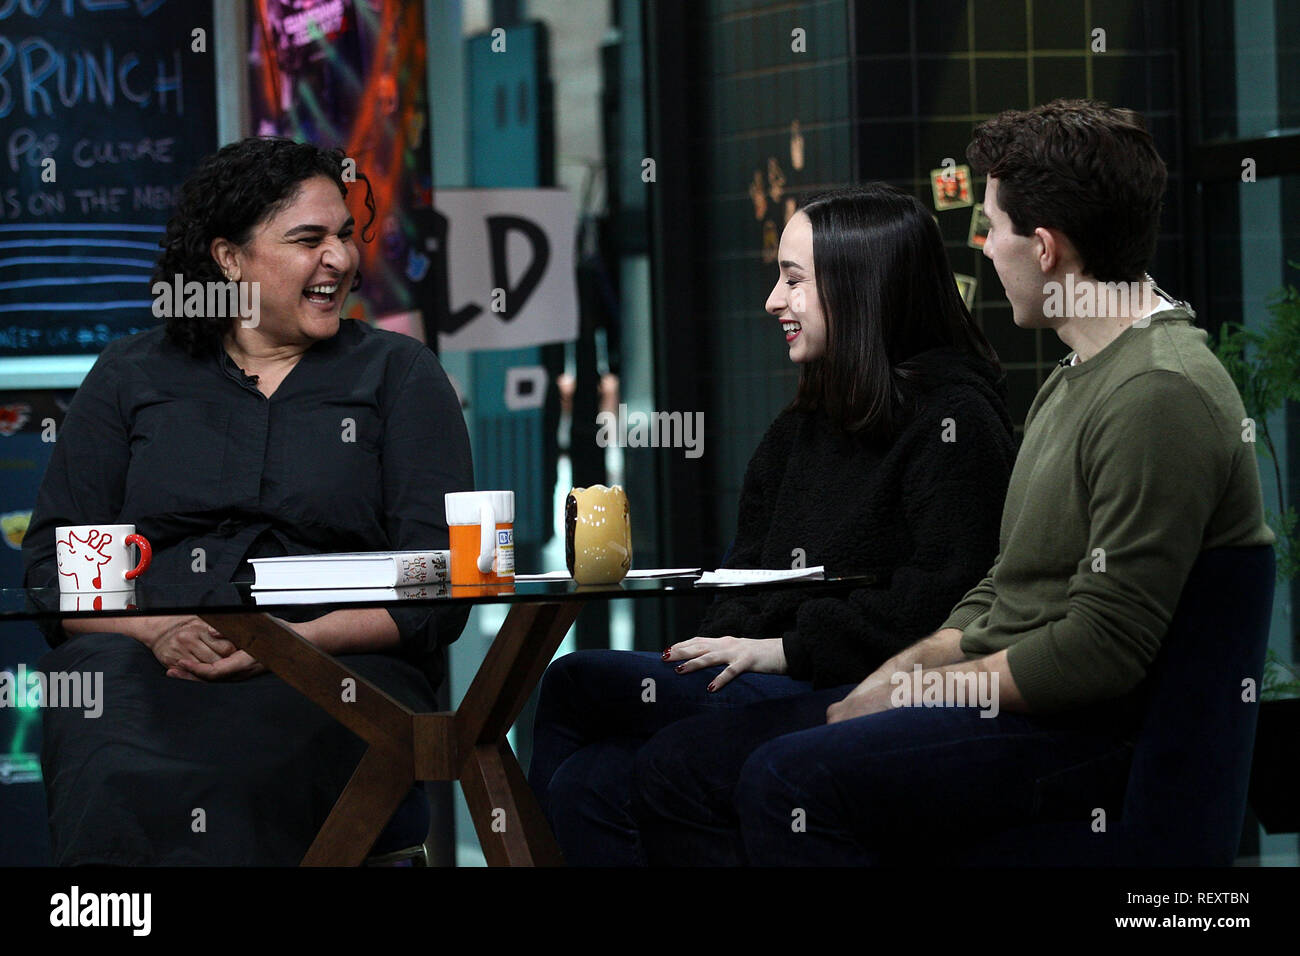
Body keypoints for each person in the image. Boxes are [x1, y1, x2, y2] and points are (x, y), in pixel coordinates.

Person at [671, 99, 1276, 865]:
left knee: (785, 779)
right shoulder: (1080, 371)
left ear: (1047, 249)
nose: (984, 248)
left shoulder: (1160, 392)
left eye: (993, 228)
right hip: (1020, 710)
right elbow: (1005, 586)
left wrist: (920, 692)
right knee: (702, 761)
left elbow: (1102, 650)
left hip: (1080, 734)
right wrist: (898, 675)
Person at [530, 183, 1018, 865]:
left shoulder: (955, 423)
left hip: (866, 685)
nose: (771, 301)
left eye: (793, 280)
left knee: (574, 684)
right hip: (778, 674)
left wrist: (785, 650)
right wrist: (735, 643)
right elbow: (748, 581)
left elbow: (942, 607)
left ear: (859, 288)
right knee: (591, 782)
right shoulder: (801, 429)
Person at [22, 137, 473, 866]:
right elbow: (56, 568)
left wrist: (293, 643)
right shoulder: (130, 374)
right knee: (109, 754)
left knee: (234, 786)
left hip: (335, 664)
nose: (340, 259)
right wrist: (159, 632)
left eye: (345, 237)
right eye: (308, 239)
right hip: (152, 657)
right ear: (229, 259)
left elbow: (436, 583)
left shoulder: (399, 376)